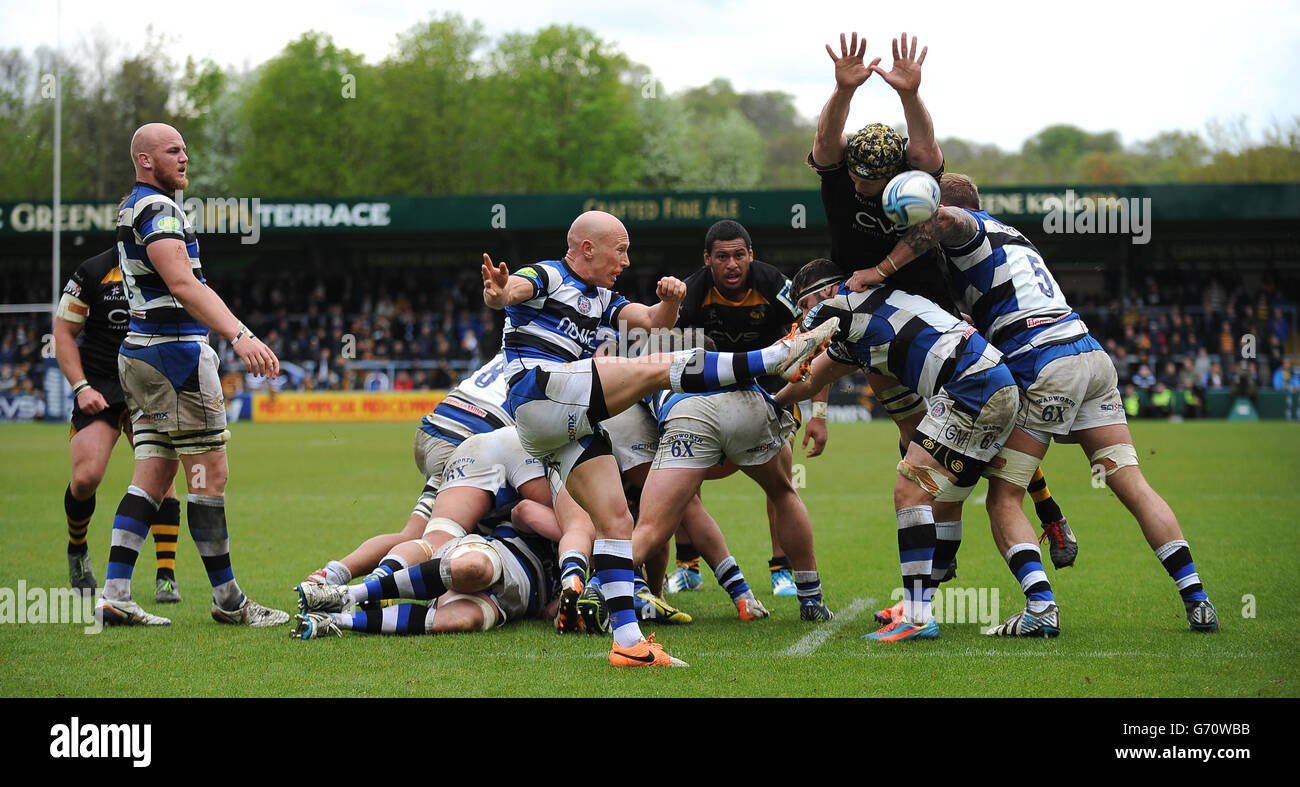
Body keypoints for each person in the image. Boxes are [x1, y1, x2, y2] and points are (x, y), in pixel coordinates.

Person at [849, 172, 1218, 633]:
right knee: (1130, 482)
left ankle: (1040, 609)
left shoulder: (970, 228)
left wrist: (880, 269)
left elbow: (943, 221)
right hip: (1089, 355)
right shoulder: (1014, 241)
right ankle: (1198, 599)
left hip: (1043, 359)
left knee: (1003, 499)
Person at [481, 210, 837, 667]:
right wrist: (498, 292)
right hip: (539, 391)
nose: (626, 261)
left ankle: (628, 643)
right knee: (656, 369)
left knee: (617, 525)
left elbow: (651, 322)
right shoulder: (551, 272)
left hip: (560, 422)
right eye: (621, 249)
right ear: (587, 248)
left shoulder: (604, 297)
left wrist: (671, 301)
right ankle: (772, 358)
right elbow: (513, 290)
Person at [809, 31, 1076, 577]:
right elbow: (827, 141)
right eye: (857, 176)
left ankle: (1039, 514)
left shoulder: (916, 187)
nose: (862, 187)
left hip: (929, 318)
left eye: (873, 180)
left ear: (898, 176)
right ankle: (943, 561)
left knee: (966, 439)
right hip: (873, 313)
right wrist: (843, 91)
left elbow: (927, 150)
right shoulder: (840, 177)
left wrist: (911, 95)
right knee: (918, 446)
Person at [780, 259, 1035, 642]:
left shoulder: (847, 304)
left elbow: (790, 355)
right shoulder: (862, 319)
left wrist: (726, 377)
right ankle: (923, 602)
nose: (805, 314)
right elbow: (809, 379)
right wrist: (772, 403)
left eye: (806, 304)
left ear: (830, 291)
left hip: (971, 385)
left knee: (908, 490)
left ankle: (917, 617)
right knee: (943, 499)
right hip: (990, 382)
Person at [95, 122, 288, 627]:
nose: (184, 157)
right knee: (209, 476)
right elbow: (182, 283)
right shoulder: (157, 209)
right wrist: (240, 335)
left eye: (184, 148)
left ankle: (115, 593)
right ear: (144, 160)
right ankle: (229, 601)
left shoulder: (132, 205)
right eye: (171, 150)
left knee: (153, 474)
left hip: (139, 357)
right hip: (175, 360)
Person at [673, 219, 827, 598]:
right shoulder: (692, 293)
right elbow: (668, 349)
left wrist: (819, 416)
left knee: (780, 481)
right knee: (678, 474)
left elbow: (815, 343)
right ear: (707, 259)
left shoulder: (775, 286)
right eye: (722, 257)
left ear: (751, 255)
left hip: (772, 395)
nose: (732, 264)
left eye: (739, 255)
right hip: (709, 394)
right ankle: (688, 564)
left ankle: (782, 572)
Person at [295, 426, 560, 638]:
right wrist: (584, 541)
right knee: (469, 563)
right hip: (484, 438)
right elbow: (525, 511)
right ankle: (351, 593)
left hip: (457, 439)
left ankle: (332, 618)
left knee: (462, 615)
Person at [301, 352, 513, 587]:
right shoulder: (551, 354)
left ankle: (331, 575)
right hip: (466, 440)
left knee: (414, 534)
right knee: (442, 537)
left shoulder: (515, 340)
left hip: (438, 425)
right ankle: (373, 590)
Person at [54, 246, 181, 602]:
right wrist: (81, 388)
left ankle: (166, 576)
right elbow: (63, 333)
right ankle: (77, 550)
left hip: (150, 385)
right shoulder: (94, 271)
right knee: (85, 478)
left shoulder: (169, 266)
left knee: (162, 484)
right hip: (101, 386)